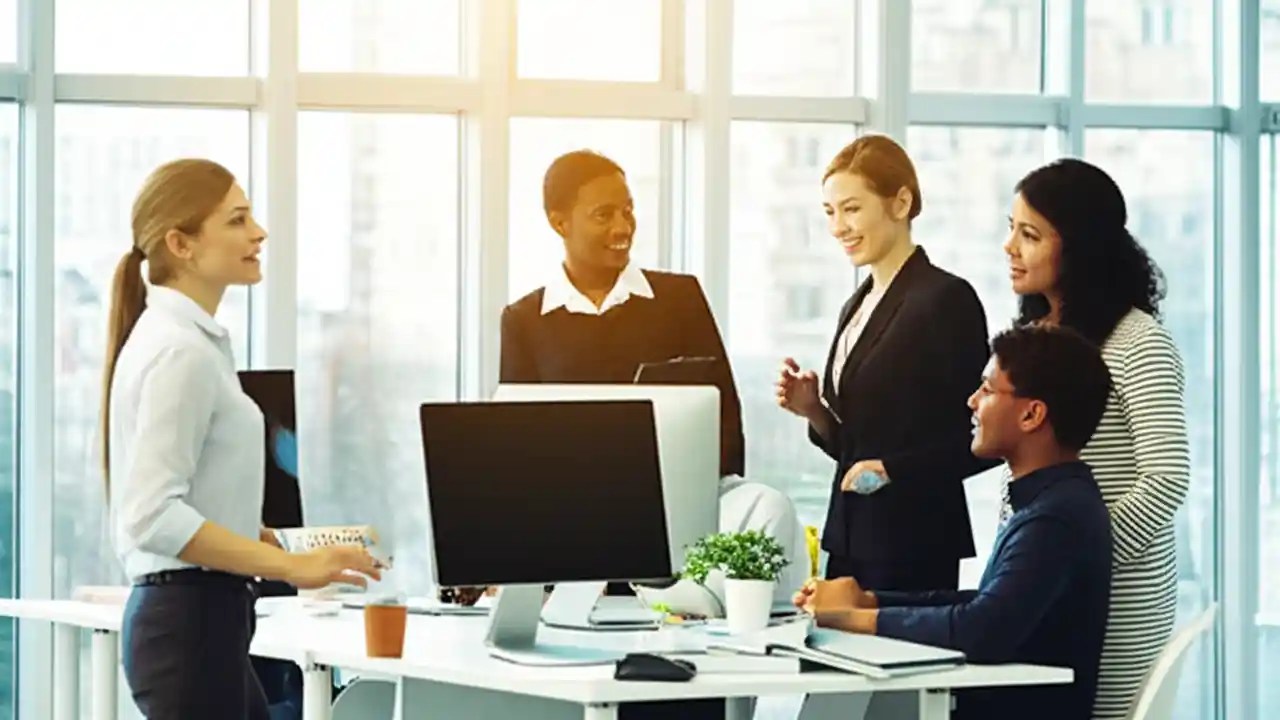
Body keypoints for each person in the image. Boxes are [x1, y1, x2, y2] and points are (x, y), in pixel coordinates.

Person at [102, 159, 381, 719]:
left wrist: (284, 544)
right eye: (236, 220)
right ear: (181, 243)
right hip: (190, 627)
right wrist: (289, 569)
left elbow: (194, 501)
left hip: (205, 624)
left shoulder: (191, 344)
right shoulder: (180, 351)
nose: (259, 233)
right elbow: (152, 515)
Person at [796, 325, 1114, 720]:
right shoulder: (1055, 500)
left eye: (987, 389)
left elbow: (981, 630)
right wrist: (870, 599)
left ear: (1032, 414)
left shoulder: (1055, 517)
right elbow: (986, 604)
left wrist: (854, 618)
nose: (971, 401)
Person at [1000, 157, 1191, 719]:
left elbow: (1167, 478)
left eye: (1029, 235)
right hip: (1049, 584)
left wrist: (1076, 553)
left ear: (1079, 249)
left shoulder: (1139, 342)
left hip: (1120, 598)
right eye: (1010, 228)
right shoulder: (1037, 339)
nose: (1009, 246)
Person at [776, 134, 995, 593]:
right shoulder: (856, 306)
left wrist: (894, 471)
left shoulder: (945, 299)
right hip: (851, 537)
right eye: (830, 212)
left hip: (915, 543)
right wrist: (814, 410)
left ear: (900, 203)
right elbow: (858, 449)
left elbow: (982, 438)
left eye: (852, 208)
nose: (838, 227)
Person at [500, 149, 745, 478]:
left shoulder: (680, 298)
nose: (623, 227)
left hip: (677, 495)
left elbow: (725, 415)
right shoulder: (524, 321)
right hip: (573, 503)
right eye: (604, 215)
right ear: (560, 223)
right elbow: (517, 439)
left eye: (627, 211)